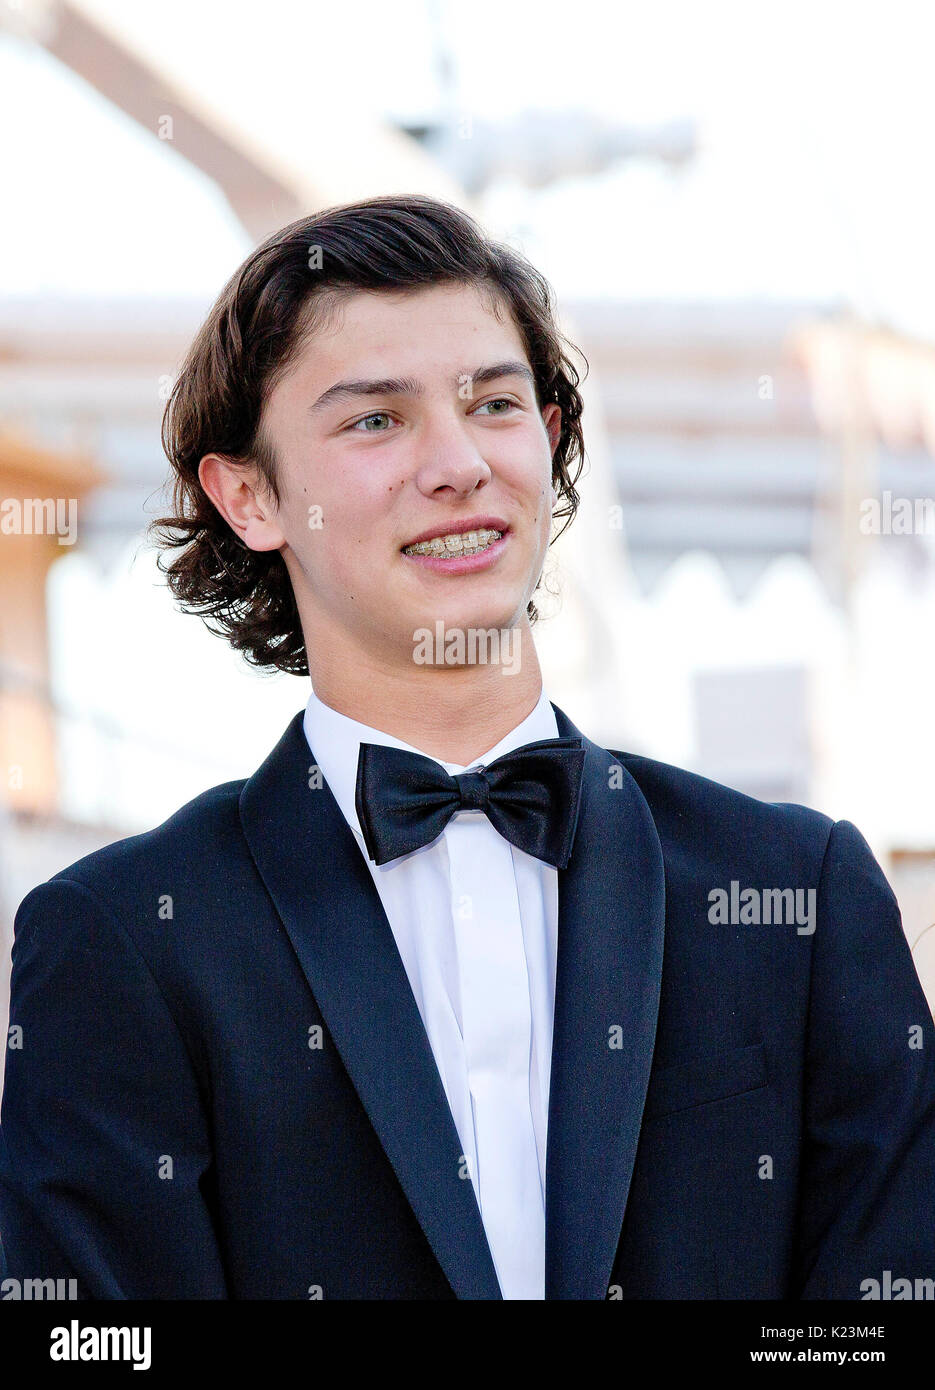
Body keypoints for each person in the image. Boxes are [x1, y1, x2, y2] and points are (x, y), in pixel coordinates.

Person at [1, 194, 934, 1301]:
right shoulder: (122, 938)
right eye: (374, 421)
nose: (457, 463)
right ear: (248, 495)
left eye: (492, 403)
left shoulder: (797, 892)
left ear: (546, 439)